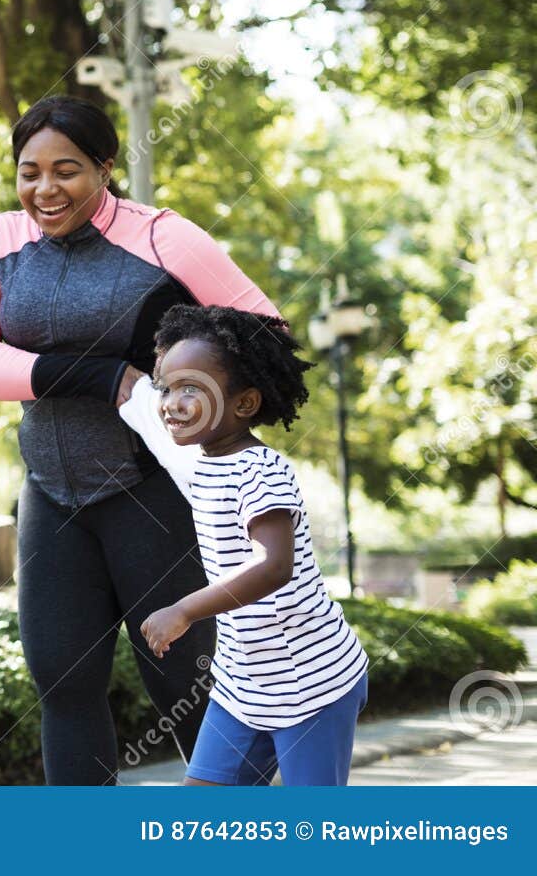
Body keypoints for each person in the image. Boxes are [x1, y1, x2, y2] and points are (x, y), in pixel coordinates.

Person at [0, 94, 280, 785]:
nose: (45, 189)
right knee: (63, 688)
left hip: (150, 494)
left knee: (188, 688)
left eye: (65, 170)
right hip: (50, 494)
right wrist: (101, 376)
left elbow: (267, 334)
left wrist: (191, 389)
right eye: (28, 172)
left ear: (105, 167)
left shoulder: (163, 238)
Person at [118, 304, 370, 786]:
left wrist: (185, 610)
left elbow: (274, 566)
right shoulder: (203, 463)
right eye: (166, 388)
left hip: (310, 681)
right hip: (244, 684)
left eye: (191, 388)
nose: (171, 402)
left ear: (245, 404)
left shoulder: (262, 470)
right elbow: (150, 419)